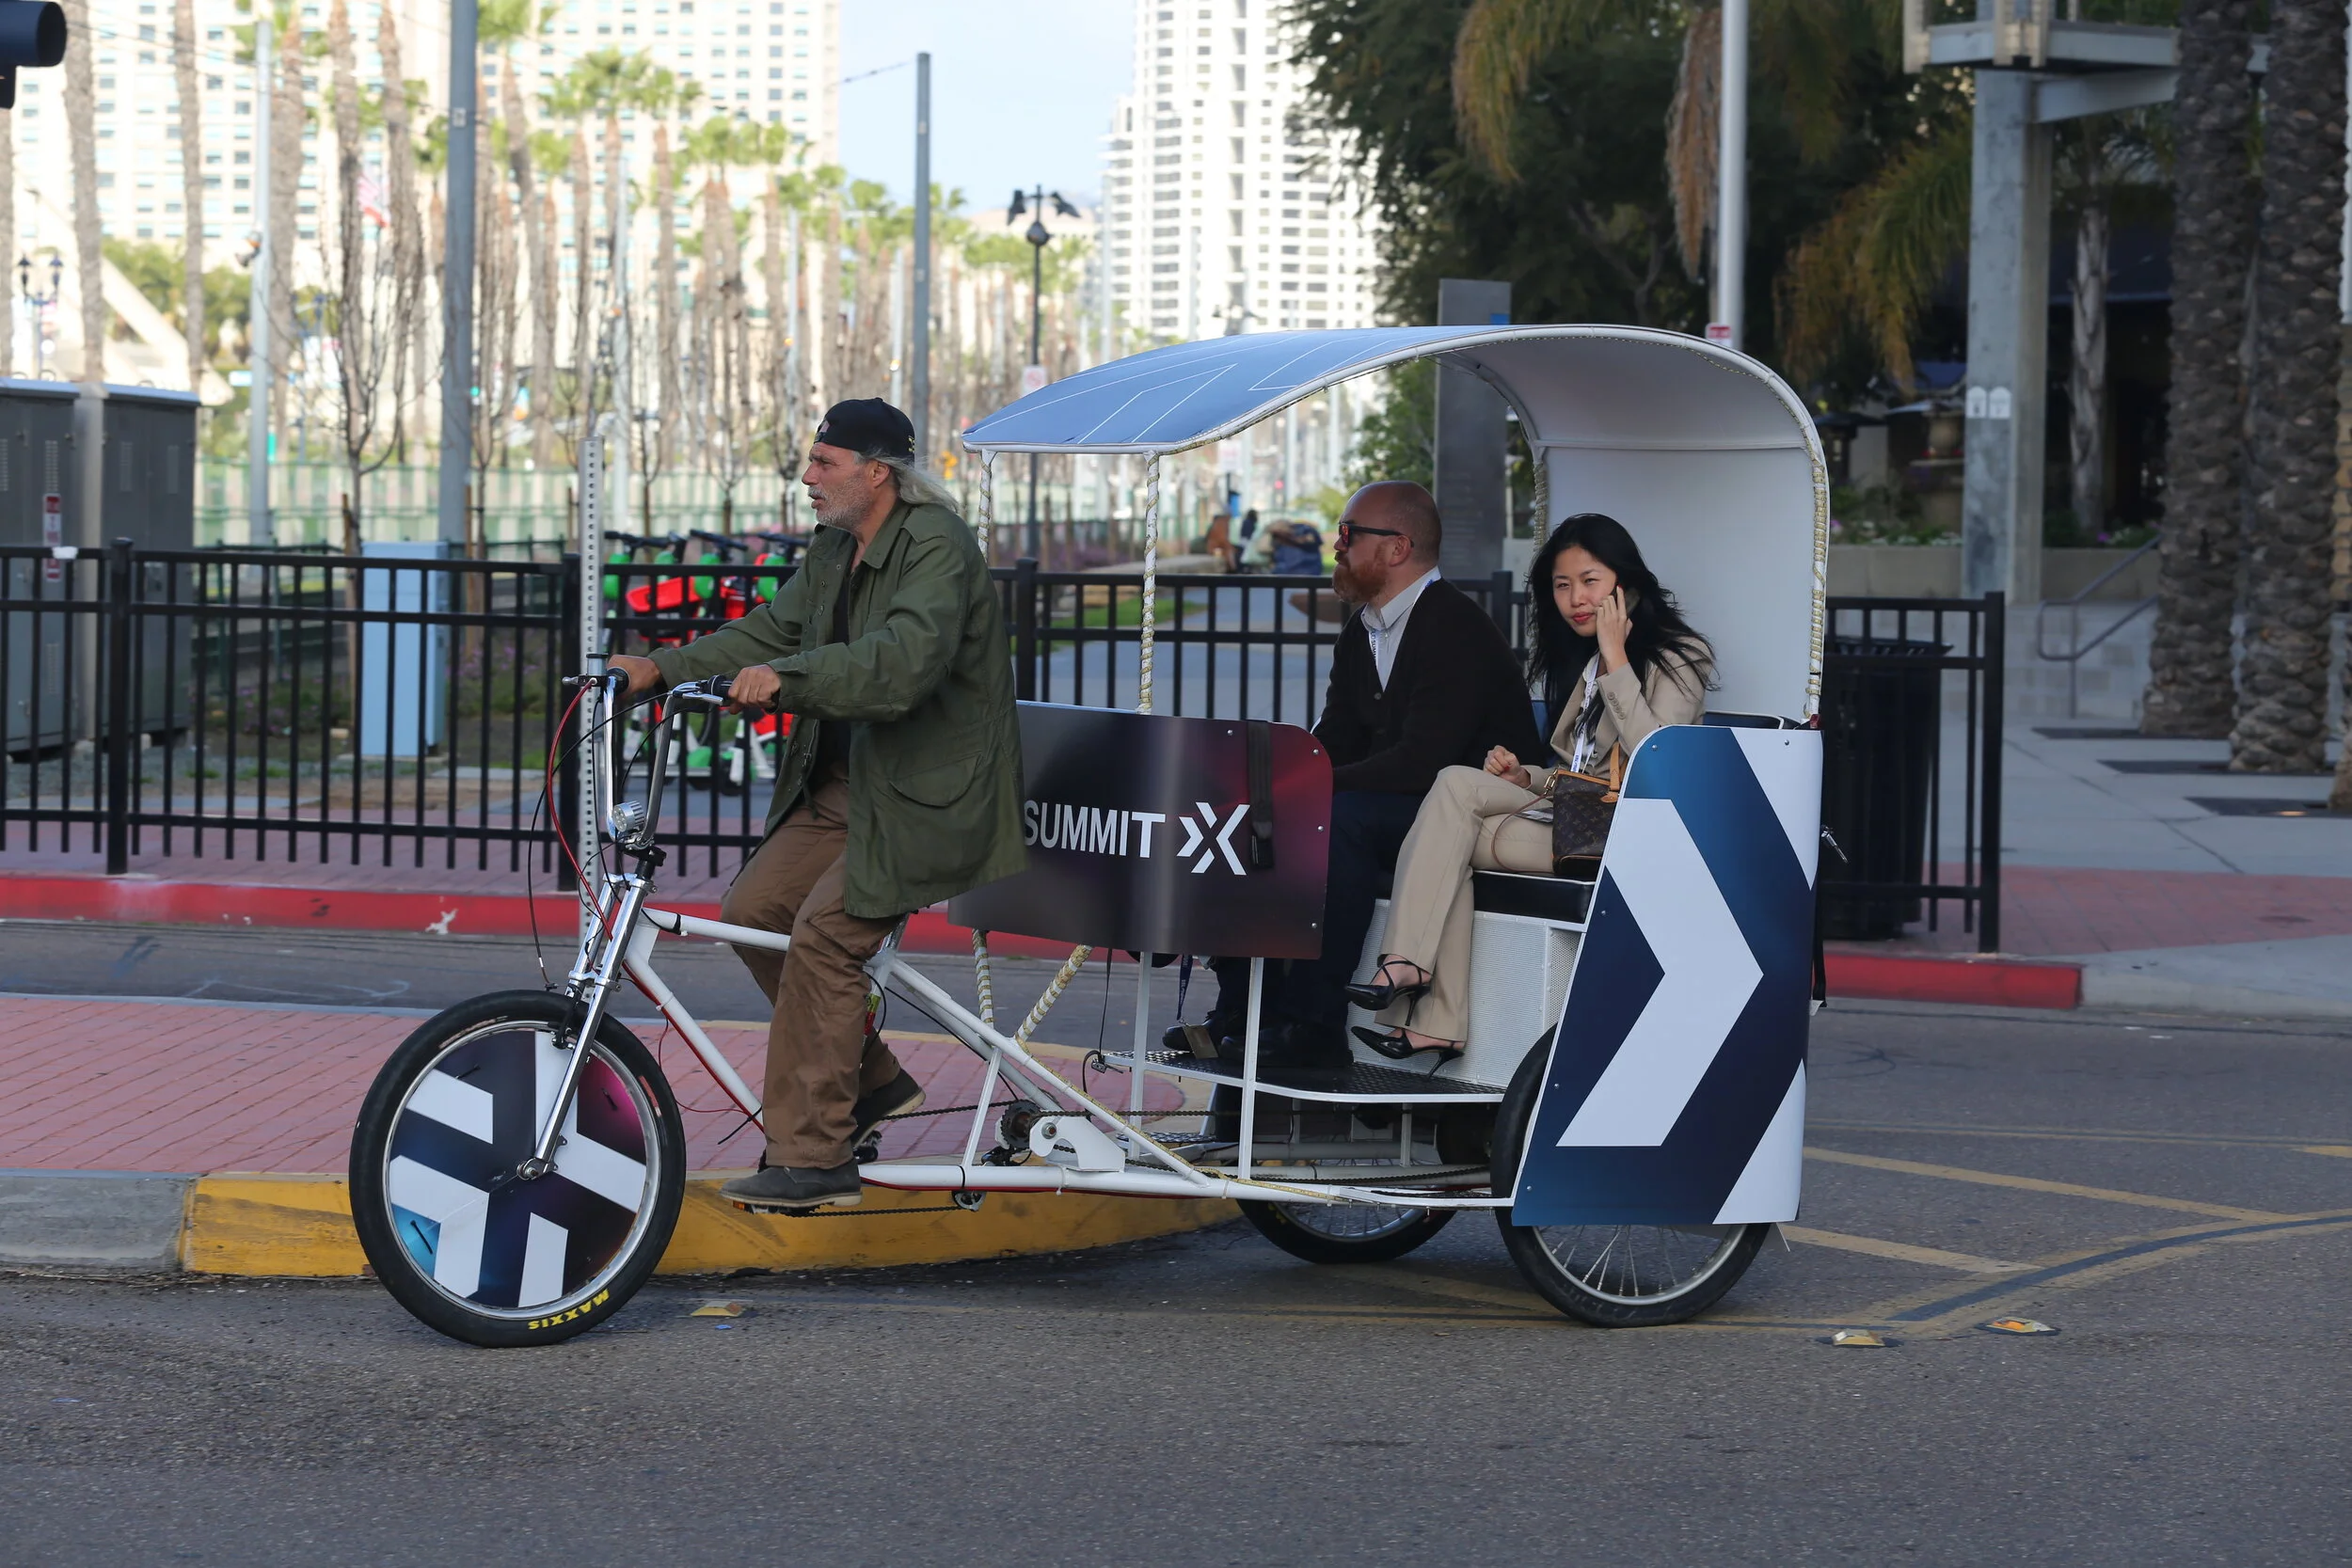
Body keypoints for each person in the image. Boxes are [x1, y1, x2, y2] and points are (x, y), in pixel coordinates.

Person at [606, 398, 1025, 1212]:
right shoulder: (837, 548)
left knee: (826, 937)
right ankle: (867, 1082)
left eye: (824, 463)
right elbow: (771, 630)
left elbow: (900, 664)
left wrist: (788, 682)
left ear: (878, 472)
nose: (807, 476)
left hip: (927, 796)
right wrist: (659, 666)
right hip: (851, 785)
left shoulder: (936, 545)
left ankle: (814, 1156)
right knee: (756, 907)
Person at [1184, 481, 1544, 1068]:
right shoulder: (1366, 630)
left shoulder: (1454, 627)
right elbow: (1336, 738)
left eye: (1349, 535)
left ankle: (1313, 1024)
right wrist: (1278, 784)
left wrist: (1313, 789)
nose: (1337, 548)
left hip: (1467, 814)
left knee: (1341, 820)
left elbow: (1423, 762)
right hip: (1409, 801)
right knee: (1266, 810)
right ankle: (1239, 1010)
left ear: (1397, 548)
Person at [1348, 513, 1713, 1060]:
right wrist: (1525, 777)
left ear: (1626, 583)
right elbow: (1577, 770)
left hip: (1632, 829)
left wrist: (1616, 658)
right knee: (1455, 785)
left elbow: (1656, 763)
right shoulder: (1585, 664)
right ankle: (1421, 995)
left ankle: (1425, 998)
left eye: (1590, 581)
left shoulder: (1680, 656)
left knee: (1446, 842)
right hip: (1571, 811)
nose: (1575, 599)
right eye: (1562, 586)